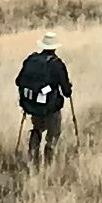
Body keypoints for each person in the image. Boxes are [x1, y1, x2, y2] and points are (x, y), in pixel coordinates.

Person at [15, 30, 73, 160]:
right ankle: (48, 161)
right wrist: (69, 88)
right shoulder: (57, 65)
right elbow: (66, 92)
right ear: (54, 48)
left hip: (32, 106)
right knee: (53, 133)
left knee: (37, 129)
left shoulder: (31, 60)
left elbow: (18, 81)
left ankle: (33, 156)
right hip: (51, 107)